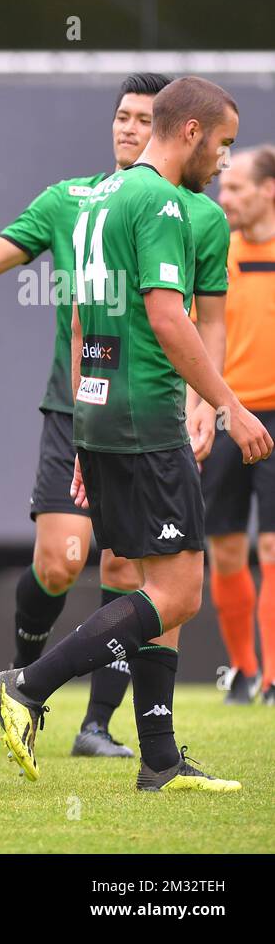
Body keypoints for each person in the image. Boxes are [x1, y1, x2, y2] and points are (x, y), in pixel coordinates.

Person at [0, 73, 230, 757]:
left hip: (149, 408)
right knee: (66, 561)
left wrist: (206, 402)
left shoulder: (197, 215)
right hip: (86, 410)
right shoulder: (71, 199)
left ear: (168, 128)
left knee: (139, 573)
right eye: (121, 115)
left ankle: (107, 729)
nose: (127, 127)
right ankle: (27, 678)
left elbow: (205, 322)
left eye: (141, 117)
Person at [0, 76, 271, 792]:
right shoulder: (163, 201)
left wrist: (85, 417)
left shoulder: (99, 198)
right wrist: (229, 404)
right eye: (225, 144)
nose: (227, 163)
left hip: (103, 410)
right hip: (146, 417)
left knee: (149, 582)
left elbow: (82, 315)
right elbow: (170, 318)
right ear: (194, 132)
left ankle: (160, 758)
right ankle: (28, 685)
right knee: (176, 594)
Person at [208, 144, 275, 705]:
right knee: (226, 548)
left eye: (235, 187)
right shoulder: (216, 253)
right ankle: (243, 671)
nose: (223, 196)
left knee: (273, 549)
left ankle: (273, 678)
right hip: (228, 412)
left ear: (269, 189)